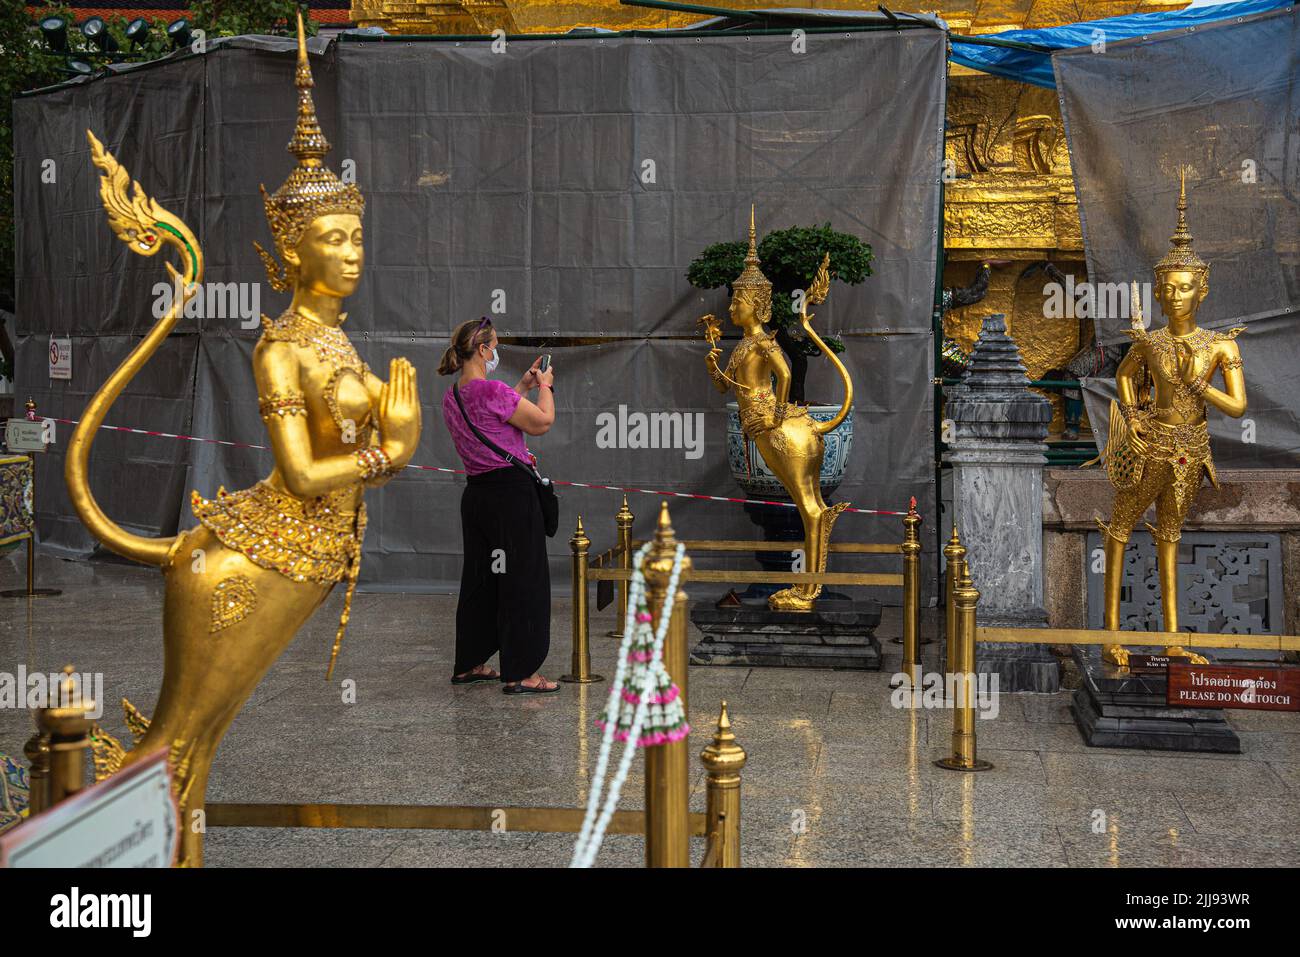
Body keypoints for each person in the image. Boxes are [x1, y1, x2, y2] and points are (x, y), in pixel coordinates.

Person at [438, 317, 558, 693]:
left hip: (477, 497)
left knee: (481, 579)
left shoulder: (453, 396)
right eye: (495, 345)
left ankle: (469, 663)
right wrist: (545, 387)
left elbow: (491, 419)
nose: (497, 352)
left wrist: (521, 385)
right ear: (484, 350)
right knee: (523, 579)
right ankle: (523, 672)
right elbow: (541, 422)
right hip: (511, 497)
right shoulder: (490, 391)